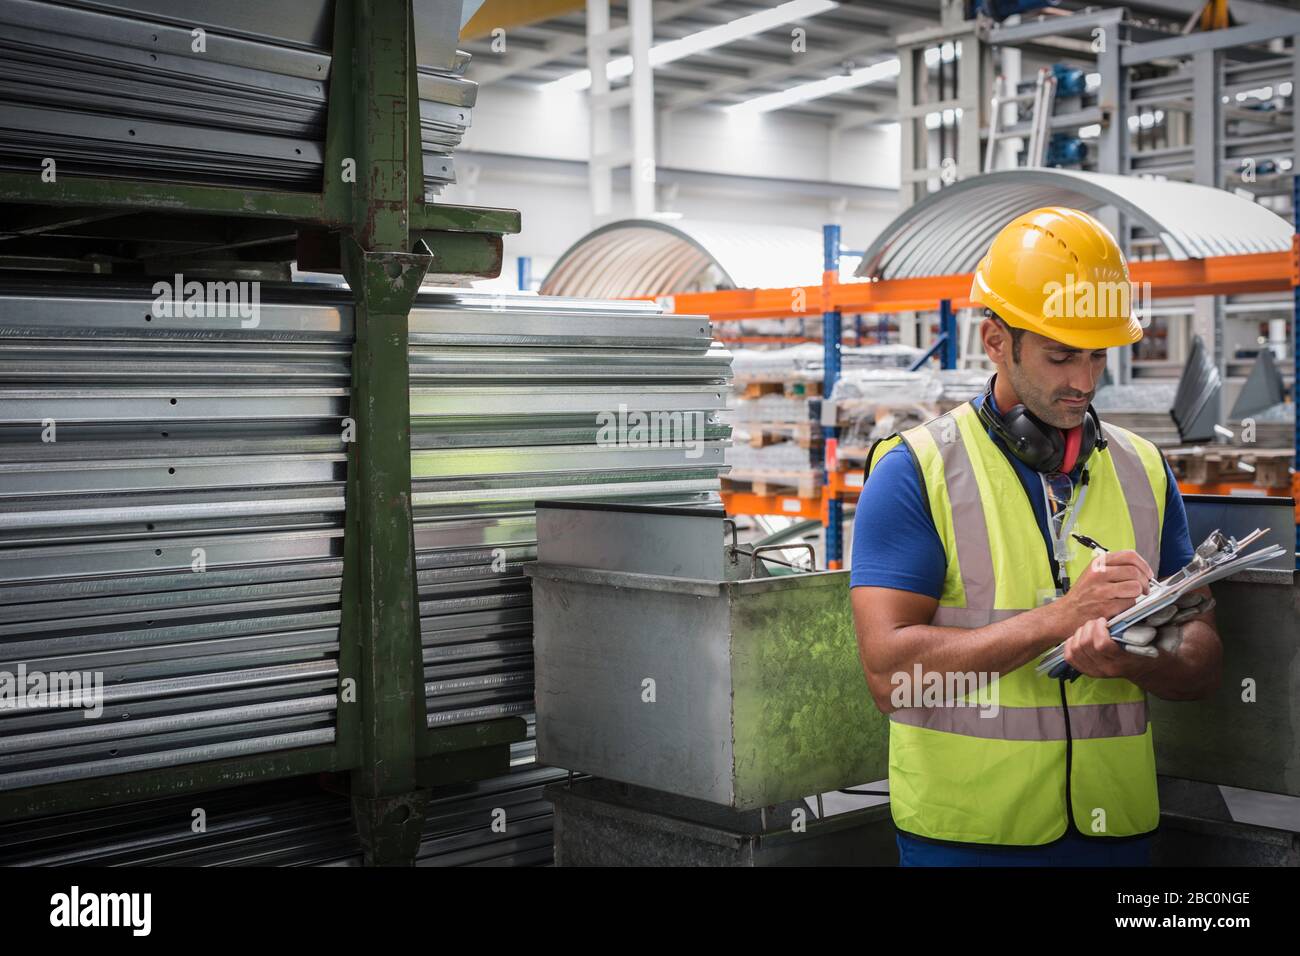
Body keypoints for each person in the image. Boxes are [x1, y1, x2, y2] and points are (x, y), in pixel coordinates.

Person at [850, 207, 1221, 867]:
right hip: (968, 839)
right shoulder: (916, 471)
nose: (1082, 381)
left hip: (1117, 834)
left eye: (1096, 356)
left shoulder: (1144, 469)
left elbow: (1203, 661)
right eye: (1059, 355)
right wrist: (1057, 621)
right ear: (995, 341)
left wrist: (1139, 660)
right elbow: (890, 677)